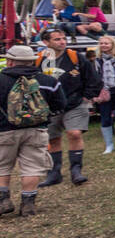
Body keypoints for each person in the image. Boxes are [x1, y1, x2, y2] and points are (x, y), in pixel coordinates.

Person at [0, 45, 67, 216]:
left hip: (4, 130)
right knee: (32, 168)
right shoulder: (48, 81)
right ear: (32, 61)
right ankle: (28, 203)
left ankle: (4, 200)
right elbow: (60, 104)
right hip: (37, 130)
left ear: (10, 61)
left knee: (2, 166)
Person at [37, 29, 101, 187]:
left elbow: (93, 78)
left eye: (63, 38)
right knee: (52, 138)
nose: (62, 42)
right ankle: (54, 173)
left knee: (74, 133)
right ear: (46, 42)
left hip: (75, 102)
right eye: (57, 39)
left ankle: (76, 170)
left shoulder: (76, 57)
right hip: (49, 105)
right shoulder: (39, 60)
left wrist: (87, 96)